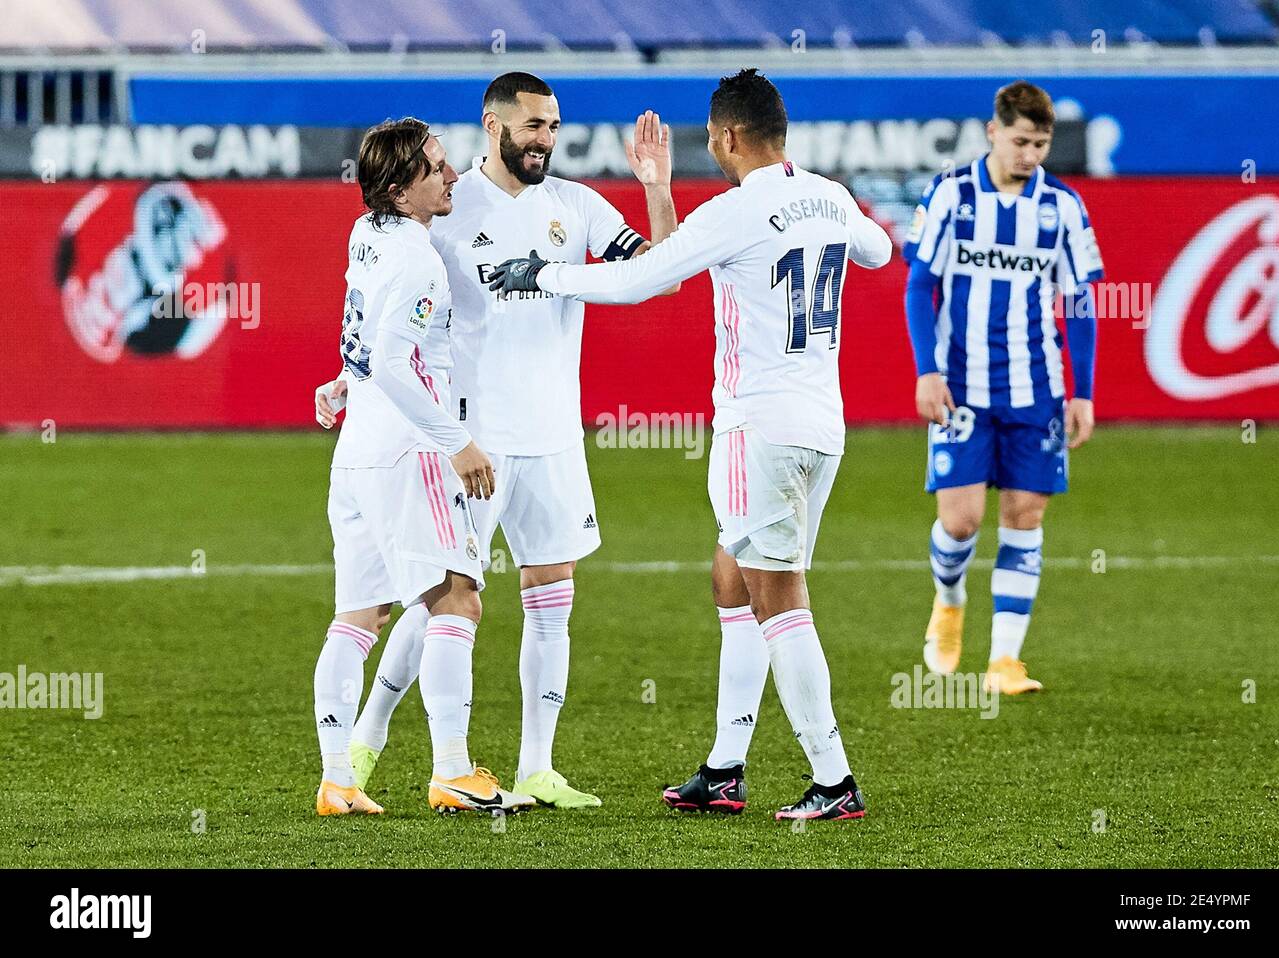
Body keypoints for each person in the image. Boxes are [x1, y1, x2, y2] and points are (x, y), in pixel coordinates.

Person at [490, 69, 892, 821]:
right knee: (731, 576)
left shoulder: (733, 212)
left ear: (730, 138)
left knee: (779, 598)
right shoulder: (831, 194)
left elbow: (640, 279)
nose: (710, 148)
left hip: (758, 427)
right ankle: (724, 766)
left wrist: (545, 274)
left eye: (712, 138)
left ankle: (833, 780)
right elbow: (875, 252)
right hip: (823, 428)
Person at [316, 72, 679, 809]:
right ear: (494, 125)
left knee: (552, 598)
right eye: (534, 125)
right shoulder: (446, 208)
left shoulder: (575, 204)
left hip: (553, 434)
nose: (546, 137)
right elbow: (397, 323)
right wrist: (354, 377)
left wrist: (657, 186)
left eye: (553, 124)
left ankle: (537, 766)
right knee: (441, 596)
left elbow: (660, 276)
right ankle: (371, 737)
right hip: (468, 436)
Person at [313, 116, 533, 816]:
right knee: (457, 596)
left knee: (356, 619)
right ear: (402, 190)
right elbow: (397, 364)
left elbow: (365, 339)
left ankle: (338, 780)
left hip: (355, 455)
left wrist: (342, 381)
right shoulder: (421, 261)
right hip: (408, 452)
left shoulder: (368, 234)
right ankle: (452, 771)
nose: (453, 177)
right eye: (437, 168)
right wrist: (456, 443)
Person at [902, 80, 1102, 694]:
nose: (1030, 154)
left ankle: (1004, 662)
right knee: (960, 523)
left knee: (1025, 514)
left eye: (1040, 143)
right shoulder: (951, 194)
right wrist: (926, 370)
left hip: (1035, 386)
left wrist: (1082, 391)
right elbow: (918, 286)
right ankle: (949, 599)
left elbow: (1080, 302)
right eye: (1020, 141)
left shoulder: (1063, 207)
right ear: (993, 132)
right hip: (961, 384)